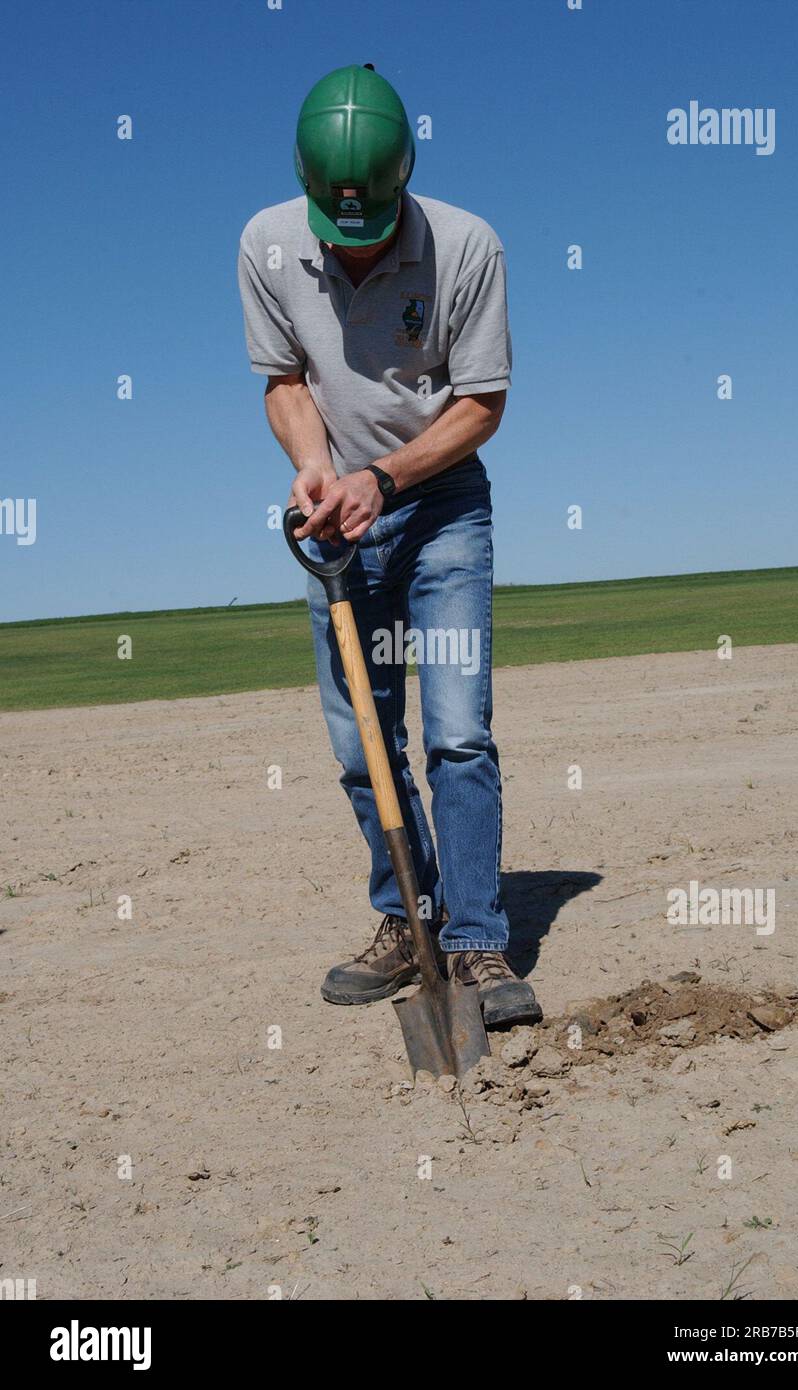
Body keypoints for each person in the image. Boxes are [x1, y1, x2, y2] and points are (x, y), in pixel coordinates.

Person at [238, 63, 541, 1027]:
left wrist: (387, 479)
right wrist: (319, 468)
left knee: (456, 734)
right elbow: (284, 378)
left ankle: (476, 941)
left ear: (406, 176)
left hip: (441, 506)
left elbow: (482, 405)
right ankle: (403, 921)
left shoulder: (467, 246)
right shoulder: (267, 243)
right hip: (339, 523)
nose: (355, 249)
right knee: (362, 747)